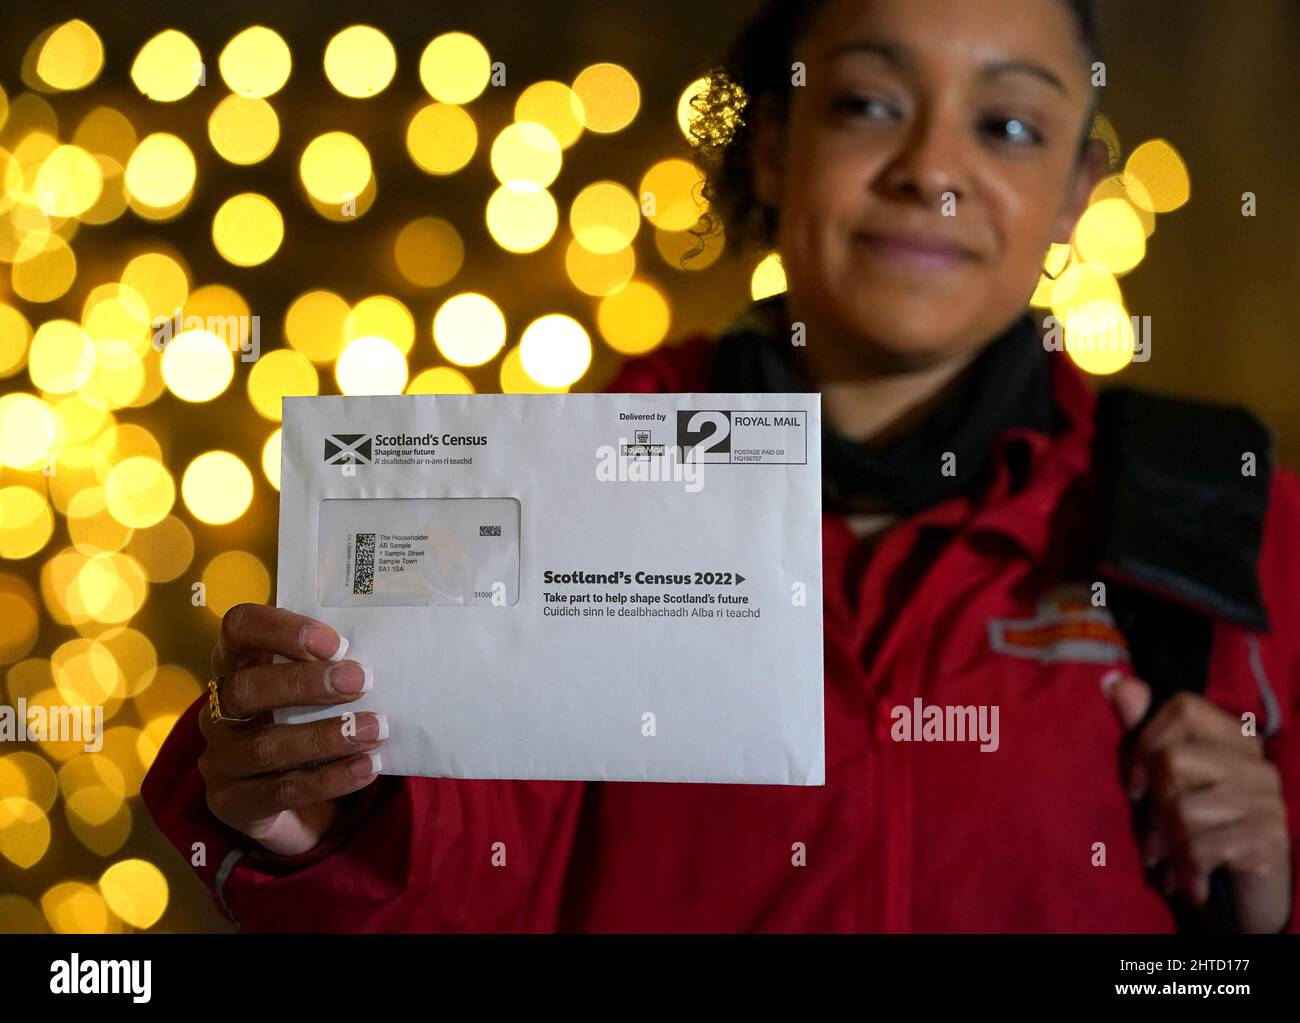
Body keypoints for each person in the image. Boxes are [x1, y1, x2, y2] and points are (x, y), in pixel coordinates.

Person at [142, 0, 1300, 932]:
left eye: (1006, 126)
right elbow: (467, 891)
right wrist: (318, 826)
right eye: (867, 104)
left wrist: (1267, 905)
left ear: (1074, 197)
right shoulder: (565, 491)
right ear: (771, 147)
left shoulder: (1234, 523)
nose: (931, 170)